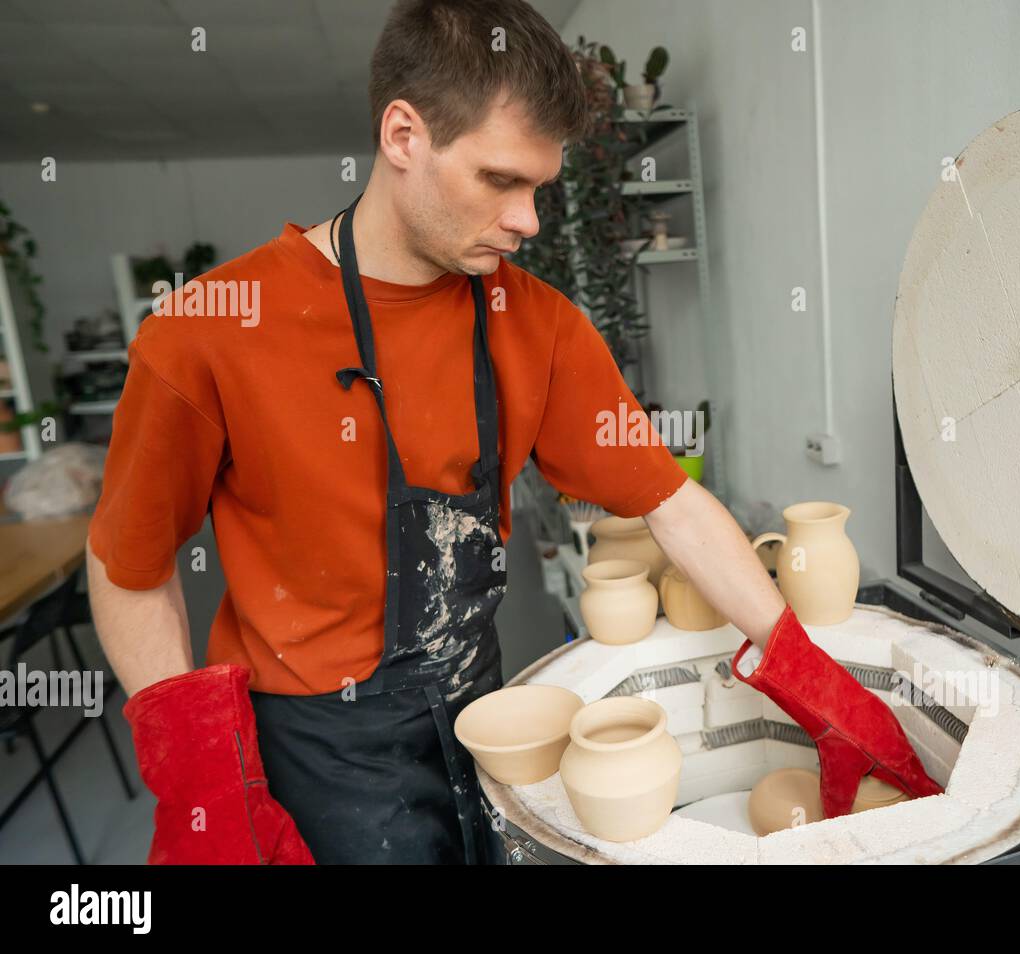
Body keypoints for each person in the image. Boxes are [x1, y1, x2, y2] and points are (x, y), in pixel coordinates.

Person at [86, 0, 942, 866]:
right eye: (500, 181)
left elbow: (671, 504)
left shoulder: (538, 325)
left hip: (483, 724)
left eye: (540, 186)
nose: (529, 219)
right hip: (315, 760)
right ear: (403, 135)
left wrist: (814, 682)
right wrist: (199, 775)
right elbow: (128, 564)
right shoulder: (212, 332)